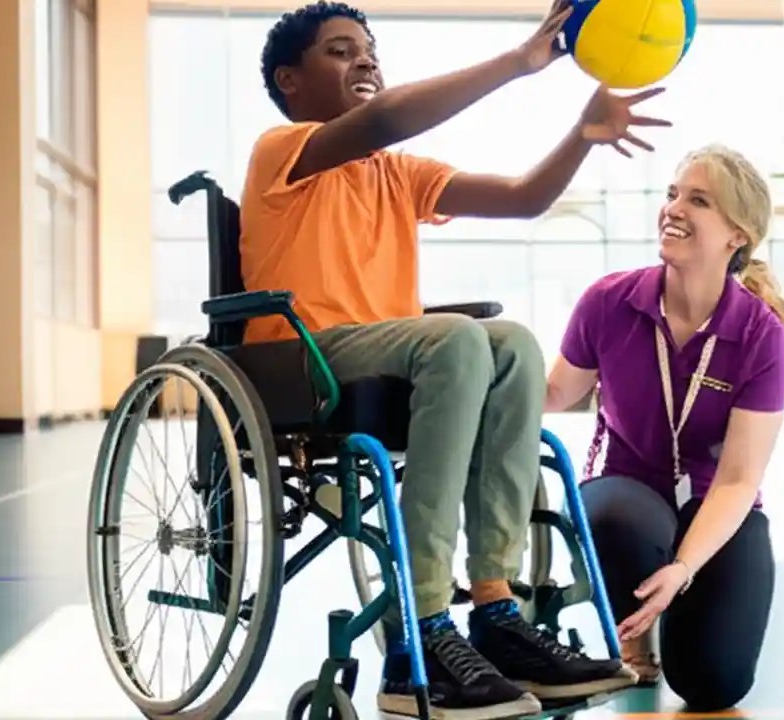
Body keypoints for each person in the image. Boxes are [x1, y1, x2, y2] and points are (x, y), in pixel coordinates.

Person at [242, 2, 667, 718]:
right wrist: (518, 62)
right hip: (303, 360)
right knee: (457, 337)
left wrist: (583, 135)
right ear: (290, 79)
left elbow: (526, 199)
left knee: (513, 345)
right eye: (341, 52)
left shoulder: (397, 175)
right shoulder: (282, 150)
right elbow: (384, 121)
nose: (366, 61)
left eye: (370, 50)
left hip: (391, 355)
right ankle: (423, 629)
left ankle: (495, 608)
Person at [544, 144, 784, 711]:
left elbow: (737, 480)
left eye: (698, 200)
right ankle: (635, 636)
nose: (674, 208)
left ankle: (681, 599)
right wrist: (489, 374)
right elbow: (557, 391)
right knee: (615, 522)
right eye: (673, 193)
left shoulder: (761, 335)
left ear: (737, 235)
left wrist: (684, 568)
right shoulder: (608, 302)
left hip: (714, 501)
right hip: (627, 488)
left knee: (715, 686)